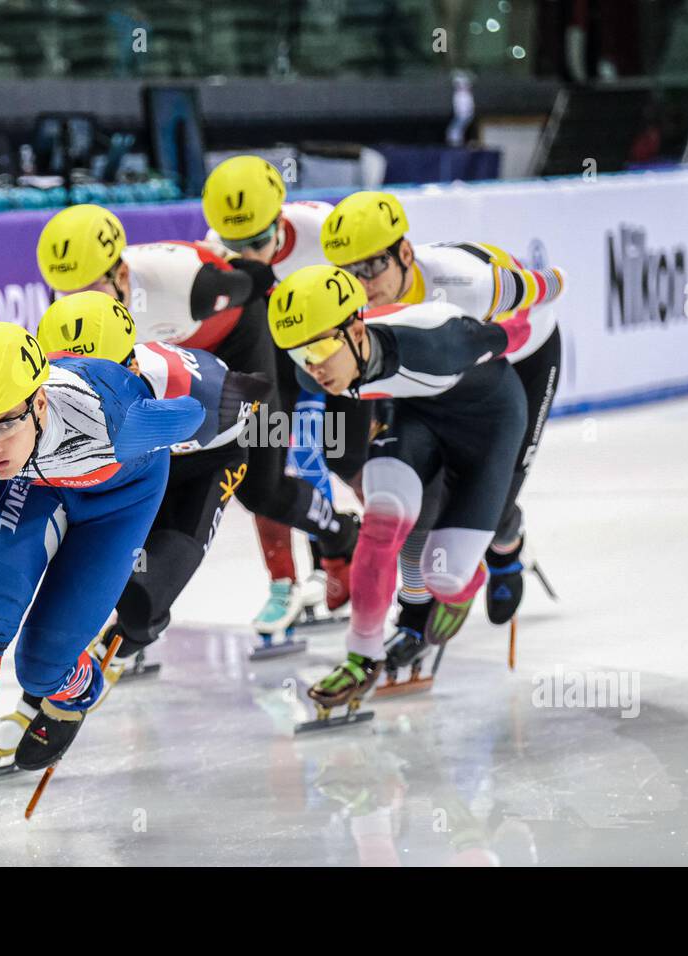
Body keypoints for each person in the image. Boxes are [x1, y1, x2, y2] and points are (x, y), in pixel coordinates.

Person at [0, 320, 204, 834]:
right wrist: (5, 434)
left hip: (118, 500)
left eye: (2, 425)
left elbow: (193, 413)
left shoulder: (113, 422)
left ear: (40, 403)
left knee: (40, 667)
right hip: (36, 484)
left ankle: (75, 690)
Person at [35, 205, 360, 634]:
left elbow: (258, 281)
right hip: (171, 365)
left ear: (123, 277)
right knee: (150, 484)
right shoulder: (66, 317)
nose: (77, 305)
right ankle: (132, 605)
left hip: (239, 348)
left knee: (262, 488)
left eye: (89, 291)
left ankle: (338, 535)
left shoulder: (188, 286)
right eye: (66, 294)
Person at [0, 291, 271, 765]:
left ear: (131, 368)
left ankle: (115, 648)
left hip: (200, 466)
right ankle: (44, 690)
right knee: (77, 581)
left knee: (142, 599)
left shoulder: (203, 389)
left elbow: (262, 397)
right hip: (127, 469)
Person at [267, 265, 532, 716]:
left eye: (320, 347)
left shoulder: (438, 338)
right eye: (298, 355)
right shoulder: (319, 370)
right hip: (416, 419)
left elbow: (522, 327)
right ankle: (360, 656)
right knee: (382, 520)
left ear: (355, 327)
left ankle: (501, 544)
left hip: (489, 420)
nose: (311, 366)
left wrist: (545, 283)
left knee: (442, 574)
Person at [320, 191, 566, 656]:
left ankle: (506, 544)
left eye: (371, 268)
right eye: (348, 273)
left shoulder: (468, 284)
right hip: (442, 362)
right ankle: (413, 614)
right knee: (410, 489)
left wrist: (507, 325)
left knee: (489, 497)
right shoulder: (352, 302)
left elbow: (549, 290)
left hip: (520, 354)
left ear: (405, 254)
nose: (361, 285)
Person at [200, 155, 369, 637]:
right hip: (273, 359)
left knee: (350, 458)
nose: (249, 256)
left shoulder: (322, 230)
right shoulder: (215, 252)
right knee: (261, 468)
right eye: (237, 246)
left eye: (258, 242)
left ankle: (380, 551)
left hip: (336, 351)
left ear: (281, 218)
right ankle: (283, 582)